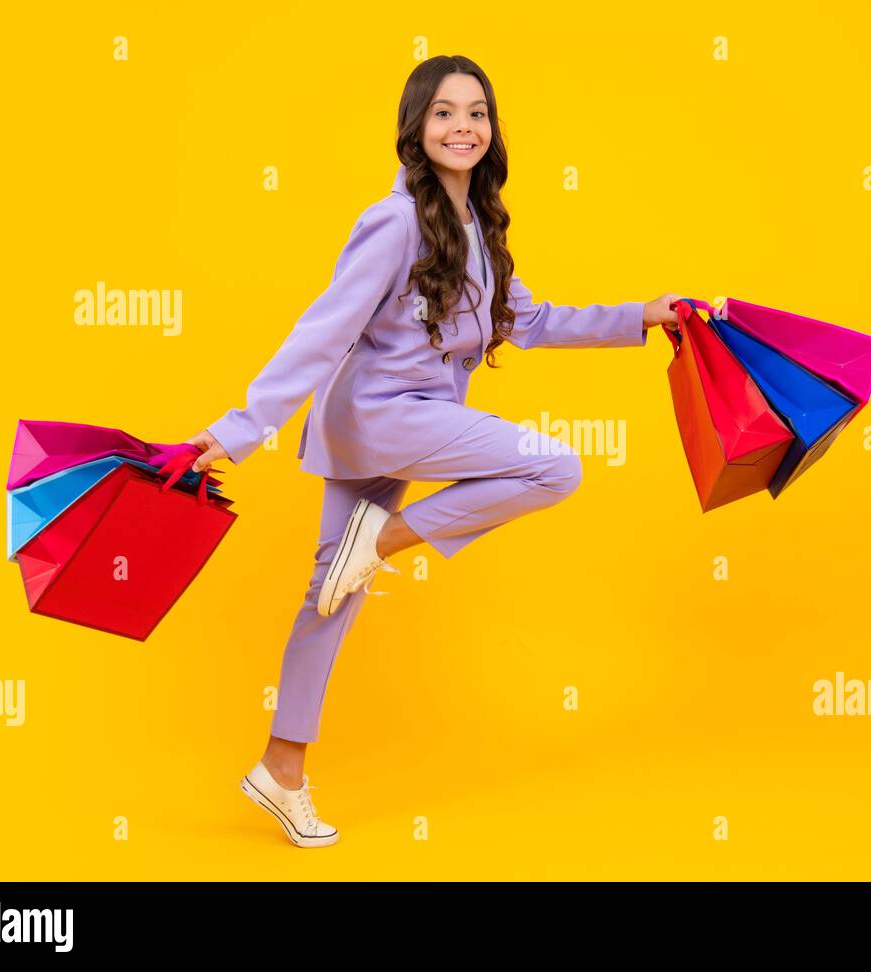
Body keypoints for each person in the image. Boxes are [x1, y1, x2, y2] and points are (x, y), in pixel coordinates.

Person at [186, 55, 680, 847]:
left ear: (492, 130)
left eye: (477, 113)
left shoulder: (480, 227)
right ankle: (376, 543)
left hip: (397, 422)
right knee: (557, 465)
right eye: (445, 112)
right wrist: (239, 428)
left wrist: (641, 316)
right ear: (416, 128)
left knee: (330, 594)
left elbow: (534, 320)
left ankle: (281, 769)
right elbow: (326, 330)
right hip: (381, 416)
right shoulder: (393, 221)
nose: (463, 127)